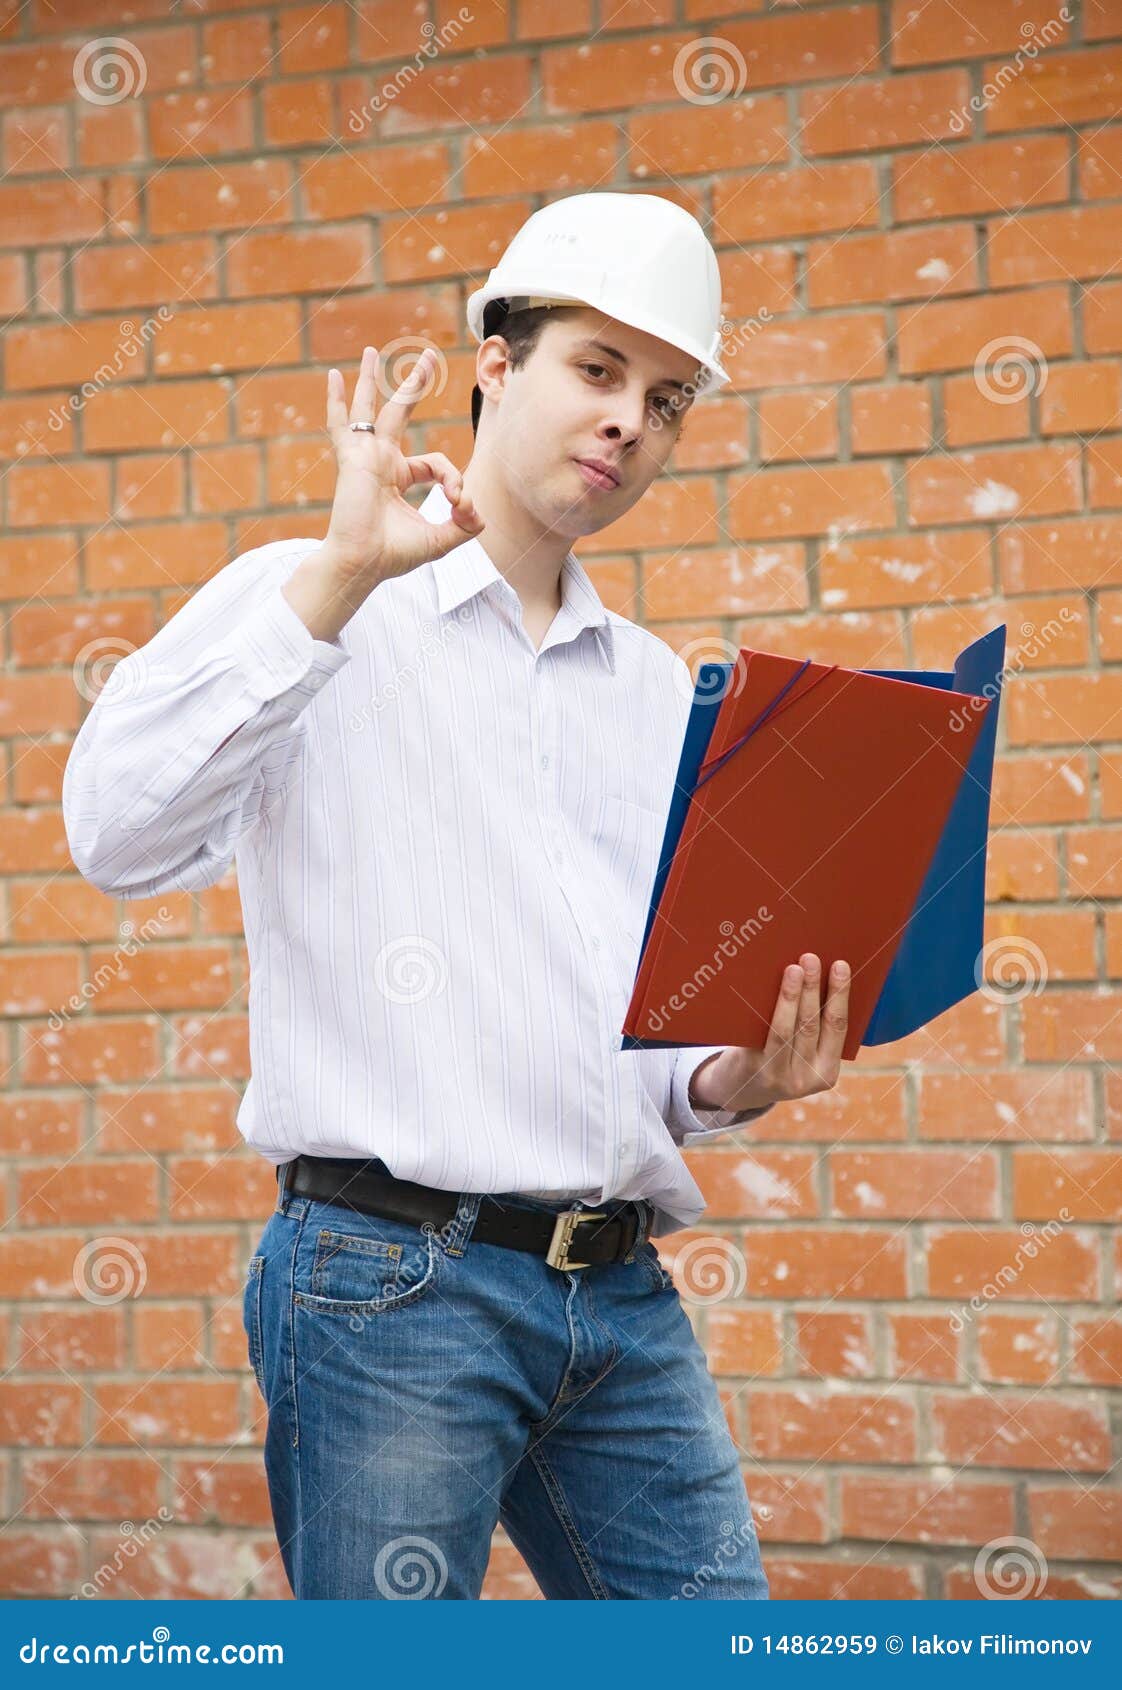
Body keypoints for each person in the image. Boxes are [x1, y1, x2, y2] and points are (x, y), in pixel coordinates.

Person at [63, 192, 850, 1600]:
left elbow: (649, 1041)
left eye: (664, 400)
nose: (627, 423)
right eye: (595, 372)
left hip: (618, 1301)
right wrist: (338, 580)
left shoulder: (660, 694)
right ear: (497, 363)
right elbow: (115, 832)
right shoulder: (316, 601)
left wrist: (734, 1073)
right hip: (386, 1290)